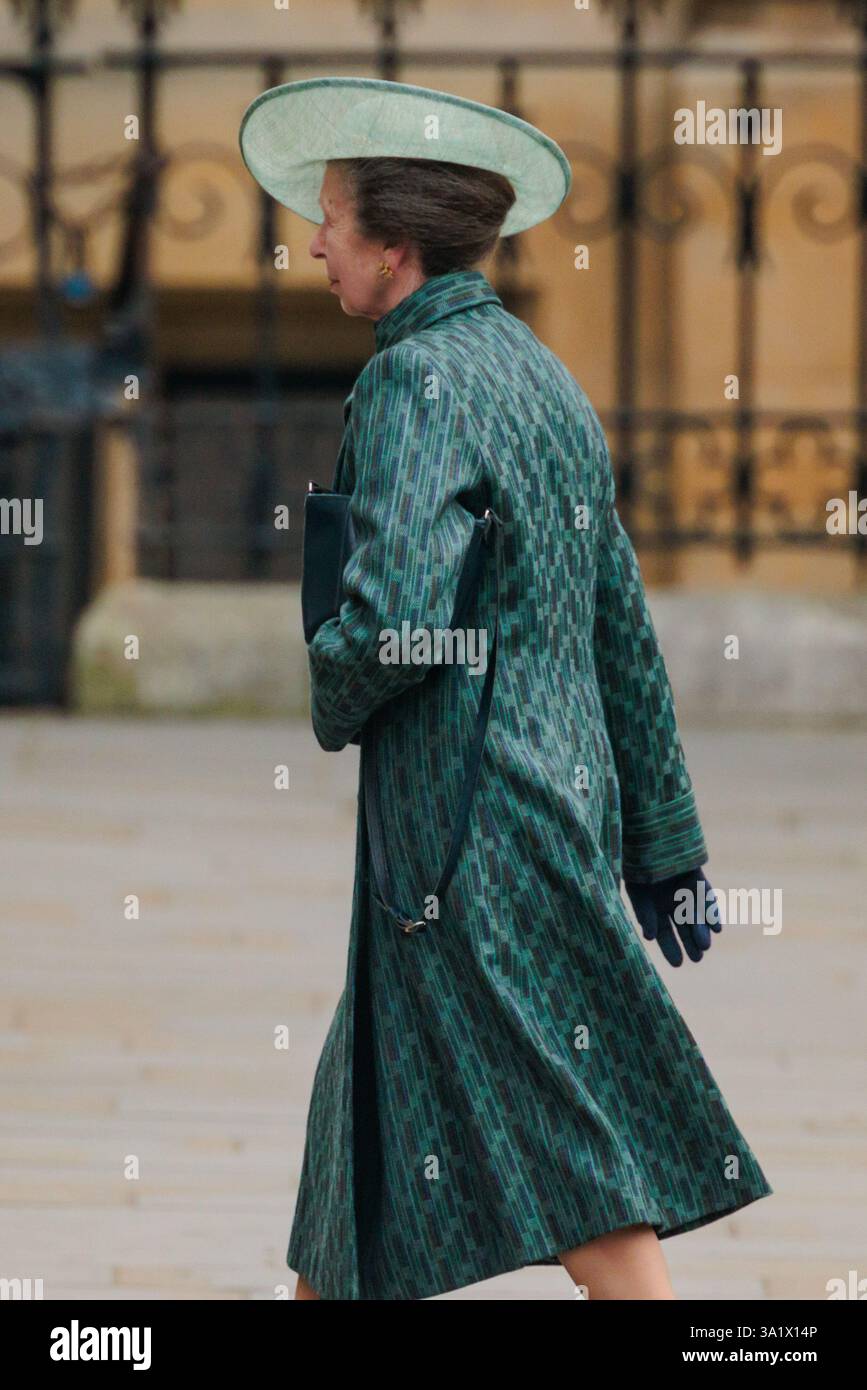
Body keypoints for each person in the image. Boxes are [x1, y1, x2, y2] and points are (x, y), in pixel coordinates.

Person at [239, 77, 773, 1301]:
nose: (313, 243)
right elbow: (619, 630)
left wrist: (329, 677)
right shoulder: (540, 374)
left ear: (398, 243)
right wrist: (666, 845)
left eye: (332, 221)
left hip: (462, 844)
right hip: (540, 818)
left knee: (580, 1173)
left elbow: (394, 623)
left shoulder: (415, 380)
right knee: (357, 1162)